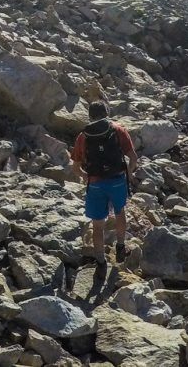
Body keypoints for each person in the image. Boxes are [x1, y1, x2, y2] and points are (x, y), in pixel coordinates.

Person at [71, 100, 138, 265]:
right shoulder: (118, 130)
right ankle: (121, 246)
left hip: (95, 183)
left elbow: (75, 167)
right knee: (120, 211)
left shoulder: (83, 136)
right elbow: (133, 158)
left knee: (98, 224)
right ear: (107, 113)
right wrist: (128, 174)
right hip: (117, 180)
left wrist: (86, 177)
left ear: (90, 116)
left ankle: (100, 261)